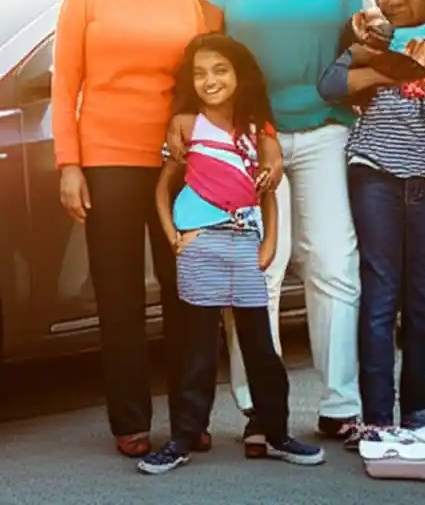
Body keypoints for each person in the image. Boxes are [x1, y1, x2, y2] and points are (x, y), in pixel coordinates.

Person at [170, 0, 365, 452]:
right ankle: (261, 408)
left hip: (324, 132)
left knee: (333, 261)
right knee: (258, 271)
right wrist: (183, 108)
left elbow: (361, 53)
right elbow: (200, 50)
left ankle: (340, 406)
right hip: (247, 140)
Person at [53, 0, 224, 458]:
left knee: (187, 291)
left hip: (180, 167)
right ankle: (129, 419)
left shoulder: (192, 7)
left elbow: (207, 87)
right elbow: (65, 85)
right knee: (119, 294)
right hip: (105, 163)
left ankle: (191, 416)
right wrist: (68, 164)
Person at [138, 33, 325, 474]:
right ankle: (183, 437)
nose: (210, 80)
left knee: (259, 344)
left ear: (241, 75)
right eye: (200, 73)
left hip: (245, 245)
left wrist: (270, 243)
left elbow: (268, 191)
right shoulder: (185, 125)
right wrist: (173, 236)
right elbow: (164, 186)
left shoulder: (256, 128)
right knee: (198, 348)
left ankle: (276, 432)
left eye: (220, 70)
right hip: (199, 243)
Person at [318, 0, 425, 470]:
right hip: (375, 171)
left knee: (424, 303)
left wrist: (378, 67)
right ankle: (378, 420)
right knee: (380, 295)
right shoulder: (371, 37)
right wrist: (382, 63)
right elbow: (332, 85)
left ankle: (418, 419)